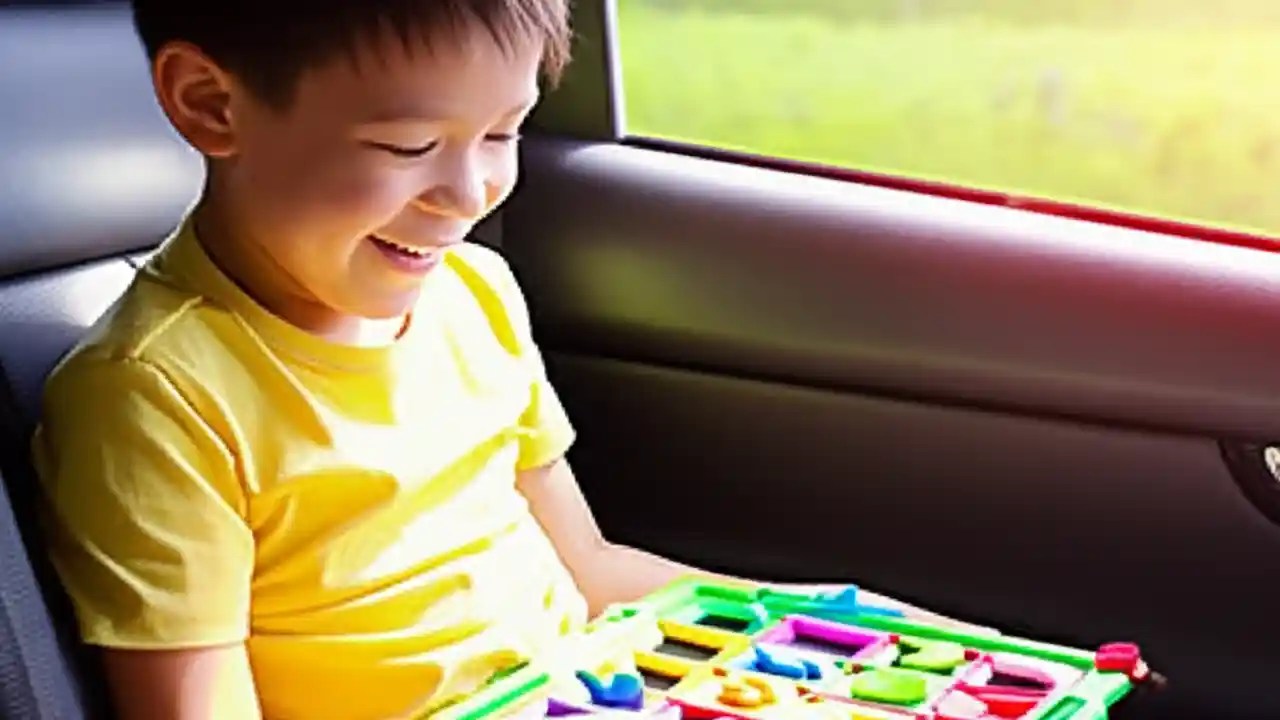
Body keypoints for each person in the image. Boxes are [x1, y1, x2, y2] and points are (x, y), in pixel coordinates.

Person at [31, 2, 978, 718]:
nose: (471, 190)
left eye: (502, 133)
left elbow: (586, 566)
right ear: (210, 104)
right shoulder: (155, 395)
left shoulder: (474, 296)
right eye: (408, 145)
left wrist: (813, 617)